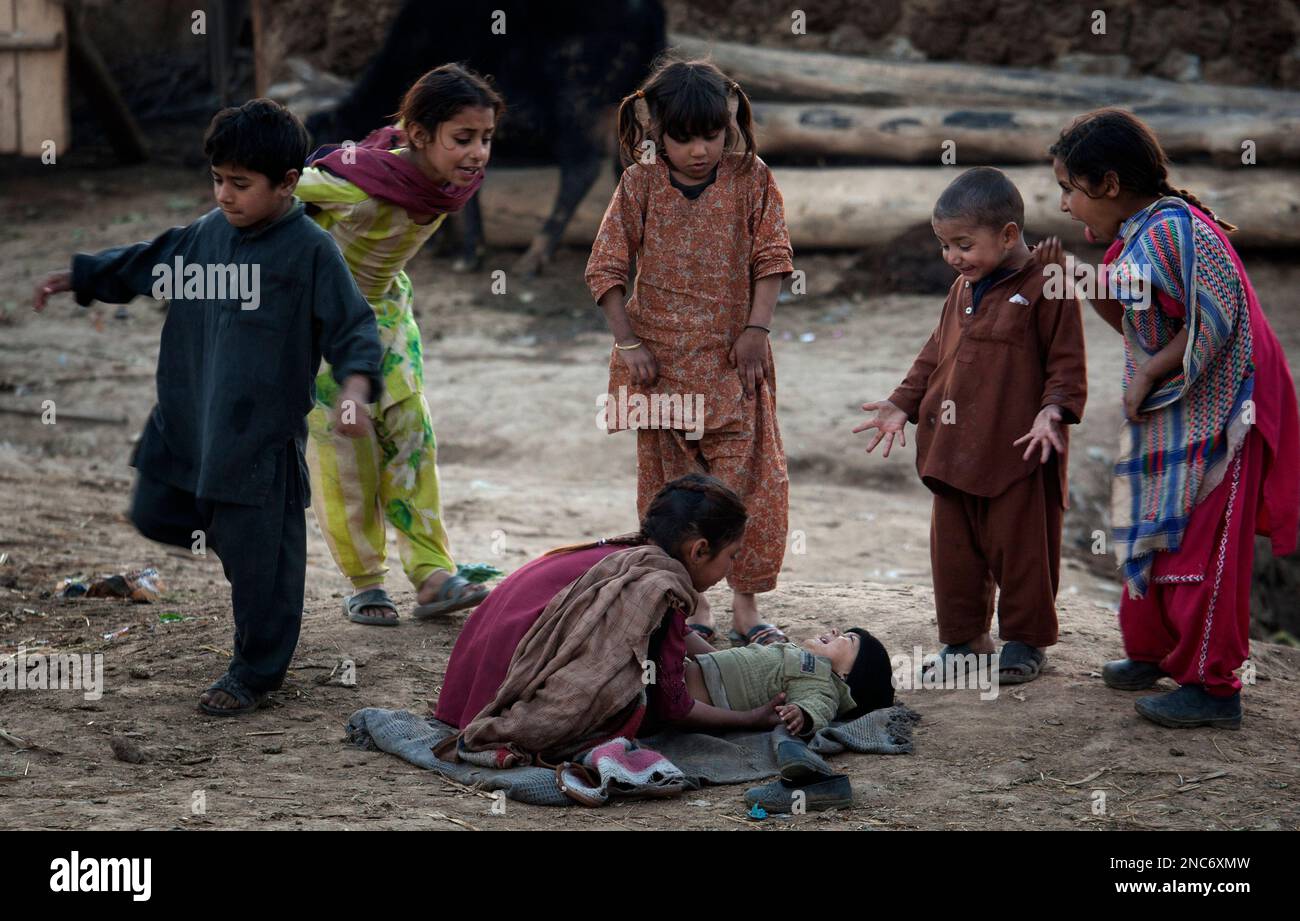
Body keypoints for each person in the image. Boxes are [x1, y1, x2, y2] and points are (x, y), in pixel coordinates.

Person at [32, 99, 383, 715]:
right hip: (189, 422)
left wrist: (354, 393)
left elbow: (354, 328)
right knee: (152, 511)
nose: (225, 194)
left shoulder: (309, 252)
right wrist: (79, 277)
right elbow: (145, 262)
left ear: (287, 184)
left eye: (241, 184)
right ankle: (241, 541)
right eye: (218, 179)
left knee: (262, 576)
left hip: (257, 439)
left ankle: (253, 675)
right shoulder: (205, 235)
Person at [1046, 108, 1299, 729]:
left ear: (1106, 183)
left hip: (1229, 405)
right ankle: (1156, 651)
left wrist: (1154, 371)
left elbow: (1214, 314)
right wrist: (1087, 281)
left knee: (1205, 539)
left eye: (1068, 190)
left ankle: (1214, 688)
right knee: (1158, 521)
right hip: (1189, 406)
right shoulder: (1140, 233)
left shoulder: (1174, 231)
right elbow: (1139, 317)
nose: (1064, 207)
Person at [585, 58, 795, 649]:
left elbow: (772, 257)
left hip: (735, 365)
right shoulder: (640, 182)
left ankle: (746, 610)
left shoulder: (751, 178)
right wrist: (629, 344)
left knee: (751, 484)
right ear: (656, 133)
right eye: (684, 138)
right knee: (675, 492)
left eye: (712, 135)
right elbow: (605, 268)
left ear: (729, 127)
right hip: (659, 373)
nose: (700, 150)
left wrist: (757, 328)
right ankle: (693, 605)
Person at [854, 167, 1087, 686]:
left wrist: (1053, 411)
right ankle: (965, 641)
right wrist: (901, 404)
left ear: (1007, 235)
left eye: (964, 244)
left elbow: (1066, 365)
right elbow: (934, 354)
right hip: (953, 447)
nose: (953, 258)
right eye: (945, 246)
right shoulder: (963, 287)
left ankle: (1025, 643)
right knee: (954, 553)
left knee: (1021, 549)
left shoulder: (1048, 284)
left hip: (1018, 449)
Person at [298, 64, 500, 625]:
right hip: (320, 327)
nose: (478, 153)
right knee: (347, 449)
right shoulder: (354, 181)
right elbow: (277, 187)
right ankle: (366, 583)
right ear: (417, 135)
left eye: (485, 139)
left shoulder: (445, 187)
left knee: (413, 433)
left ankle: (434, 577)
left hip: (387, 312)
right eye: (463, 139)